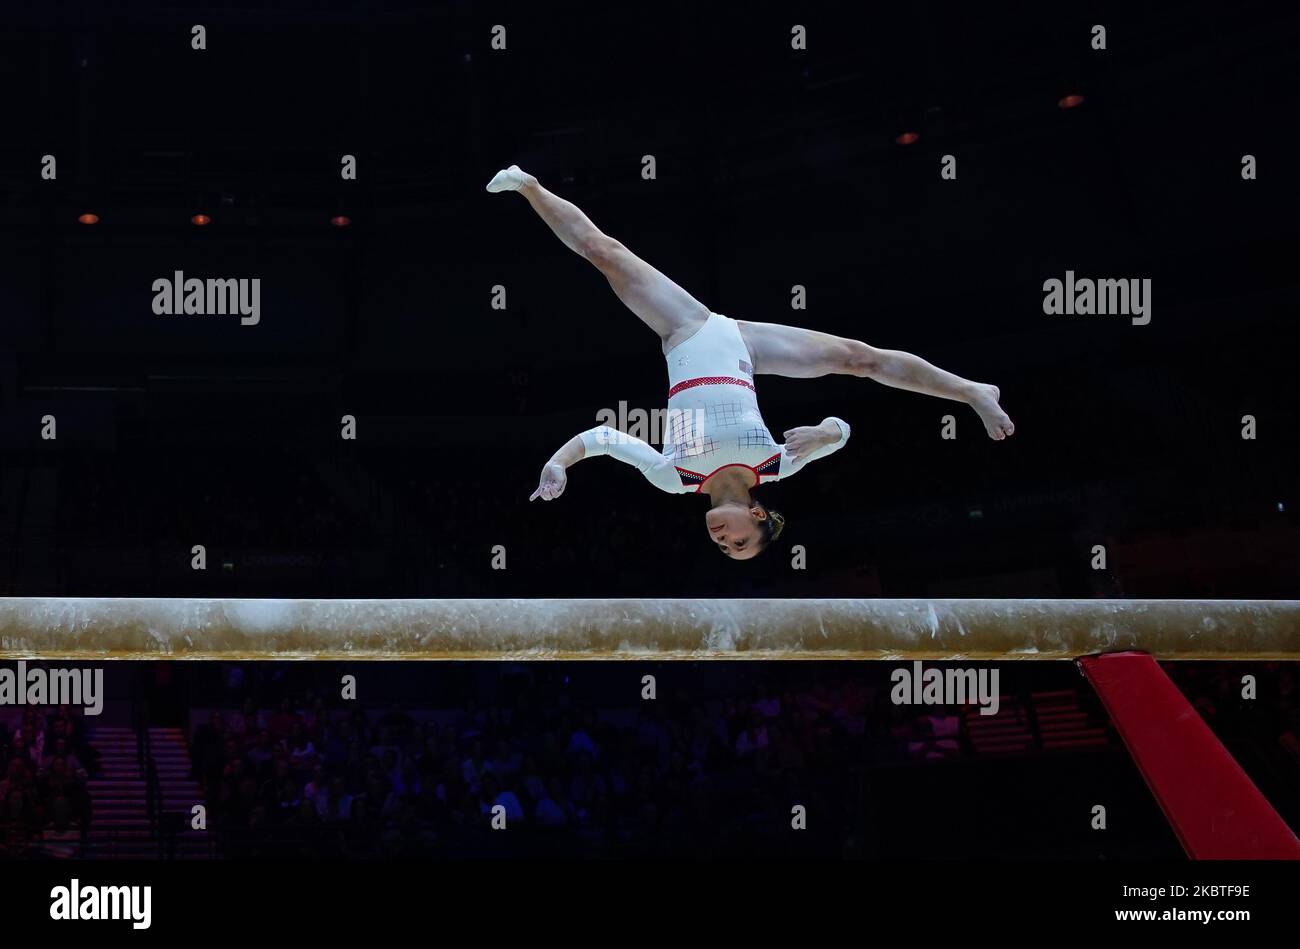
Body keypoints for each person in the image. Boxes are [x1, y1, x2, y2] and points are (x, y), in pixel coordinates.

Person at [488, 165, 1014, 558]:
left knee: (606, 256)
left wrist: (558, 462)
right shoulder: (777, 463)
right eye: (740, 541)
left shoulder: (675, 478)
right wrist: (826, 434)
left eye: (725, 548)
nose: (724, 540)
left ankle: (526, 186)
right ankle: (972, 390)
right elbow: (841, 429)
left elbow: (605, 440)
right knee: (860, 359)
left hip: (688, 330)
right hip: (746, 347)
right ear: (758, 514)